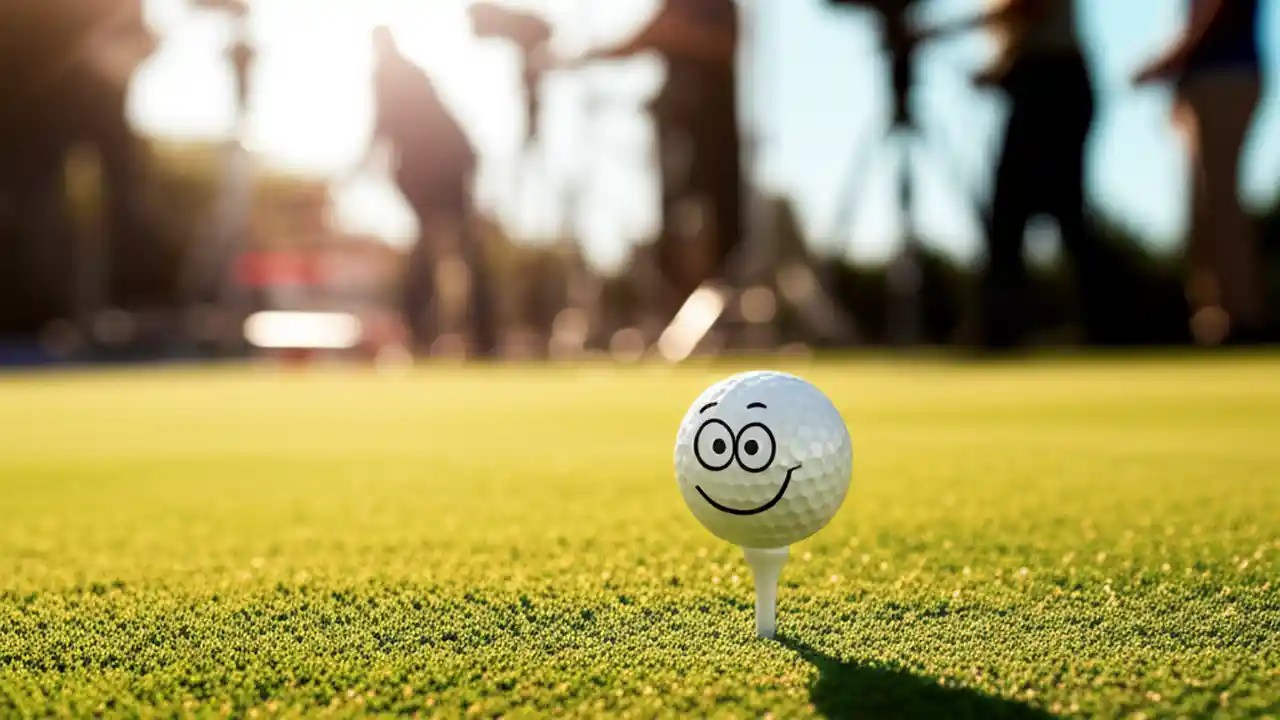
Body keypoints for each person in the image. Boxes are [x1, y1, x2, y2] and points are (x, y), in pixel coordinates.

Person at [917, 0, 1104, 348]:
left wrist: (939, 32)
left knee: (1020, 213)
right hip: (1041, 81)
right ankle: (1098, 324)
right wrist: (1001, 68)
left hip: (1052, 83)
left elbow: (1031, 8)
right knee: (1046, 214)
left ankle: (1005, 327)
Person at [574, 0, 743, 315]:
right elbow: (639, 39)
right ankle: (677, 309)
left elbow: (724, 44)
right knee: (676, 223)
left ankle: (721, 303)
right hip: (674, 129)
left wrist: (670, 34)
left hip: (712, 132)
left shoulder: (718, 6)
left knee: (714, 223)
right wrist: (584, 55)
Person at [1135, 0, 1268, 345]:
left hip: (1226, 75)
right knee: (1202, 204)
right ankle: (1213, 319)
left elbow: (1213, 12)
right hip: (1209, 78)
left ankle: (1243, 318)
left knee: (1219, 201)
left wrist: (1169, 61)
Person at [367, 27, 496, 356]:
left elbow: (382, 124)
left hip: (442, 166)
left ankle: (466, 335)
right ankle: (438, 333)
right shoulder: (405, 71)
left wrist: (367, 160)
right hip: (435, 166)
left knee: (452, 248)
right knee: (441, 248)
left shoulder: (391, 73)